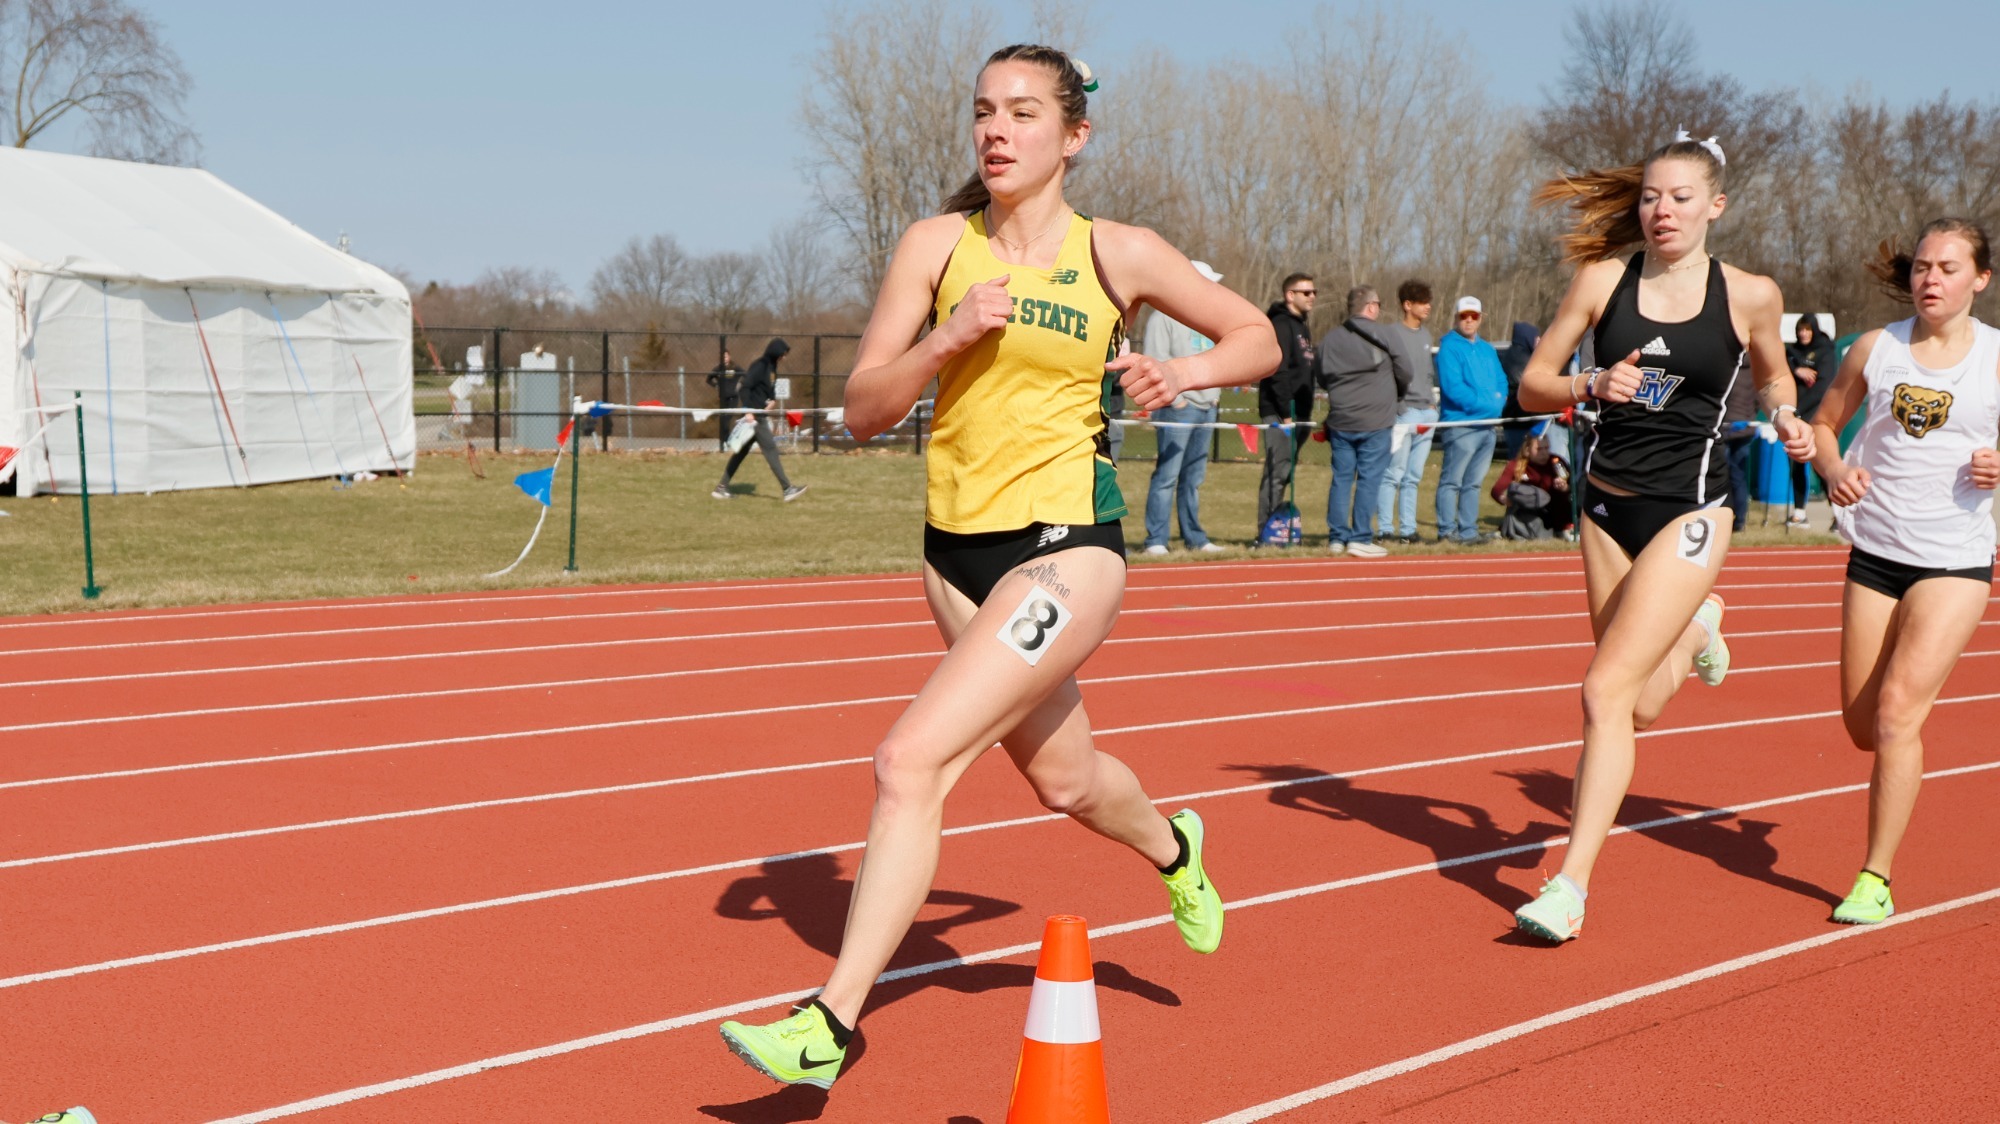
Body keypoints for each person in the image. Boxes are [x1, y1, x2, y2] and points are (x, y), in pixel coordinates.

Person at [717, 44, 1279, 1089]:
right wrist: (944, 339)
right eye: (983, 110)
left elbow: (1257, 339)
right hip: (952, 554)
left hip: (1067, 546)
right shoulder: (936, 245)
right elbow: (861, 409)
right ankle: (1174, 847)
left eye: (1022, 112)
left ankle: (828, 1023)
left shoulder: (1118, 251)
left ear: (1073, 135)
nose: (995, 129)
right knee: (1064, 780)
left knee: (907, 760)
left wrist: (1183, 367)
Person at [1510, 129, 1815, 942]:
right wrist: (1589, 380)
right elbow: (1534, 382)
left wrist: (1784, 411)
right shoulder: (1603, 279)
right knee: (1637, 705)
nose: (1661, 211)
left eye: (1680, 197)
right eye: (1650, 196)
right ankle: (1700, 623)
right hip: (1606, 509)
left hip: (1693, 508)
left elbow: (1773, 369)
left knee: (1602, 692)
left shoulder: (1749, 293)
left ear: (1715, 206)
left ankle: (1569, 887)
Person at [1807, 219, 1998, 925]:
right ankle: (1902, 741)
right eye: (1922, 266)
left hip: (1955, 560)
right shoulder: (1875, 349)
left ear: (1980, 279)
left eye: (1949, 268)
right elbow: (1826, 422)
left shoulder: (1997, 359)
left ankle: (1874, 876)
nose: (1931, 280)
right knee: (1861, 725)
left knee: (1895, 716)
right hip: (1876, 553)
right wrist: (1833, 469)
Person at [1140, 261, 1227, 554]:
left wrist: (1214, 396)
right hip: (1178, 408)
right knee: (1167, 475)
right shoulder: (1162, 317)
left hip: (1206, 407)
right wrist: (1175, 401)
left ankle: (1195, 537)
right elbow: (1154, 359)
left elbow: (1217, 358)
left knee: (1194, 478)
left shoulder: (1209, 317)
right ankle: (1156, 539)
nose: (1213, 288)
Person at [1316, 285, 1408, 557]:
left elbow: (1321, 376)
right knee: (1369, 478)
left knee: (1341, 479)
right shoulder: (1386, 333)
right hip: (1376, 419)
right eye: (1378, 303)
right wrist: (1395, 395)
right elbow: (1406, 369)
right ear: (1370, 307)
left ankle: (1337, 537)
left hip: (1341, 418)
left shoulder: (1330, 339)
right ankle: (1360, 537)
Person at [1434, 296, 1507, 544]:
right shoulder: (1449, 348)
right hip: (1461, 425)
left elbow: (1502, 381)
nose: (1468, 320)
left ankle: (1468, 531)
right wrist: (1488, 405)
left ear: (1480, 318)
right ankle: (1446, 531)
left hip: (1487, 427)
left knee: (1473, 483)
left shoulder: (1487, 349)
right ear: (1456, 317)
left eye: (1473, 316)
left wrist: (1498, 402)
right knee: (1452, 481)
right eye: (1464, 315)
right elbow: (1453, 388)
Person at [1376, 279, 1438, 544]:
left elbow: (1426, 372)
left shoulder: (1426, 336)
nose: (1427, 307)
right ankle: (1385, 529)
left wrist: (1433, 405)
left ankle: (1408, 530)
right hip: (1404, 414)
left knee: (1414, 476)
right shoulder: (1391, 334)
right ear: (1407, 305)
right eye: (1422, 302)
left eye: (1428, 302)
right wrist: (1399, 407)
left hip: (1427, 412)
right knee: (1393, 473)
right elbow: (1385, 374)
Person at [1257, 273, 1318, 534]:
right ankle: (1266, 530)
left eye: (1314, 292)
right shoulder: (1281, 324)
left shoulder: (1302, 325)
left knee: (1286, 473)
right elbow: (1277, 370)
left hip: (1300, 412)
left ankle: (1278, 527)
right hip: (1282, 413)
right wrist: (1285, 413)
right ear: (1290, 295)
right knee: (1277, 473)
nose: (1312, 296)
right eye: (1306, 292)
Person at [711, 338, 807, 502]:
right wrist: (748, 411)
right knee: (771, 450)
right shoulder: (759, 365)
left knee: (741, 454)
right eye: (783, 354)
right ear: (776, 353)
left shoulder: (772, 368)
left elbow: (769, 390)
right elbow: (744, 387)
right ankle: (787, 489)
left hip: (760, 415)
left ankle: (721, 488)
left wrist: (772, 401)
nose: (784, 358)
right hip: (754, 418)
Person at [1785, 314, 1839, 525]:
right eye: (1800, 330)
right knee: (1797, 464)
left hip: (1816, 416)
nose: (1803, 334)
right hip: (1796, 415)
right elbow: (1779, 366)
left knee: (1823, 466)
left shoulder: (1826, 351)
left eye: (1807, 330)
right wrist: (1797, 369)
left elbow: (1822, 387)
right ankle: (1799, 512)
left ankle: (1838, 513)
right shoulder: (1792, 351)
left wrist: (1801, 411)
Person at [1491, 430, 1572, 539]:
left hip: (1557, 511)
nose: (1544, 453)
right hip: (1530, 512)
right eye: (1539, 449)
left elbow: (1573, 489)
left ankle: (1563, 529)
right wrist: (1505, 499)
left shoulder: (1556, 461)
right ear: (1527, 450)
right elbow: (1496, 490)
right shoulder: (1517, 464)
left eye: (1547, 448)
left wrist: (1564, 488)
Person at [1500, 320, 1542, 460]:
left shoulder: (1517, 355)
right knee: (1520, 461)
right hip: (1519, 418)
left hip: (1518, 418)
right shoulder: (1521, 358)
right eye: (1536, 338)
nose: (1539, 342)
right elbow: (1529, 384)